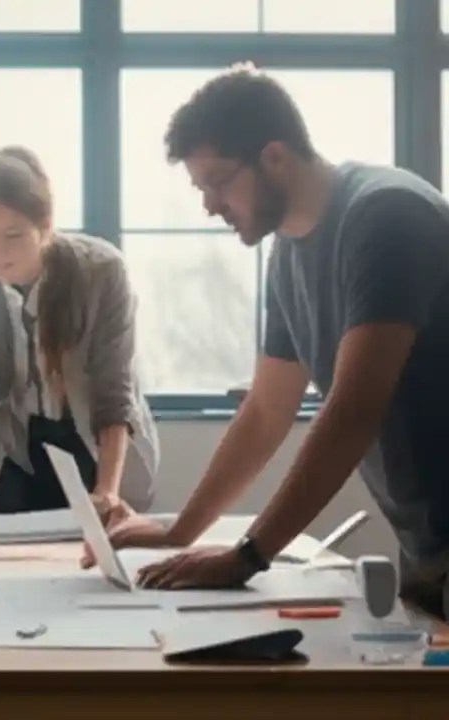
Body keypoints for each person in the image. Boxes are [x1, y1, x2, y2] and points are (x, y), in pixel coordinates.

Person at [98, 64, 449, 620]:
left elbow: (354, 409)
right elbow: (265, 411)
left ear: (275, 157)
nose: (209, 204)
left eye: (216, 181)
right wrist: (181, 531)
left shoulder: (387, 216)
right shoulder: (287, 256)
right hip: (426, 545)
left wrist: (249, 555)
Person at [0, 147, 159, 521]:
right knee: (3, 553)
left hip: (98, 445)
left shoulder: (101, 272)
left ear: (46, 225)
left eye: (12, 235)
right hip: (27, 446)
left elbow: (113, 394)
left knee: (94, 555)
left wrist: (107, 491)